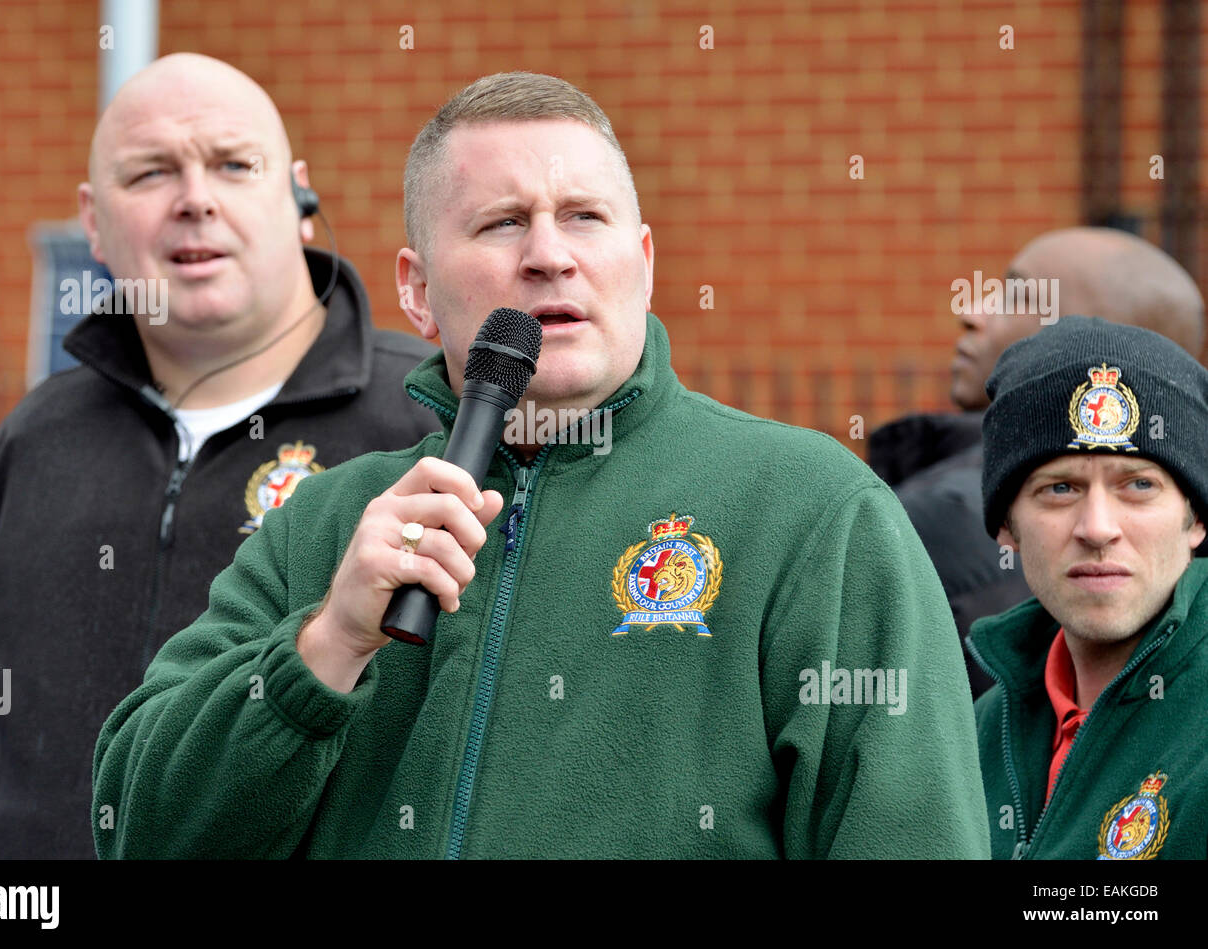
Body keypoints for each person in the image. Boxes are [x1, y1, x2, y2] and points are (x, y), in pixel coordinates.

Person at [93, 71, 990, 859]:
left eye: (585, 218)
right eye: (502, 222)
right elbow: (135, 825)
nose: (550, 255)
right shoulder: (331, 526)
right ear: (416, 290)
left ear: (641, 263)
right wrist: (326, 646)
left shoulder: (812, 511)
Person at [0, 53, 436, 859]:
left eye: (233, 164)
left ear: (300, 197)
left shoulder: (425, 427)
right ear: (93, 219)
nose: (195, 200)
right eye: (151, 173)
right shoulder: (33, 441)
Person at [869, 228, 1205, 697]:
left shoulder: (934, 516)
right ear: (1006, 521)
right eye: (1060, 488)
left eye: (1017, 295)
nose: (971, 312)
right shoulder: (1001, 724)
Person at [969, 316, 1208, 859]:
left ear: (1196, 519)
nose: (1098, 527)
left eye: (1140, 485)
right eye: (1059, 487)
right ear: (1007, 525)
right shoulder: (979, 729)